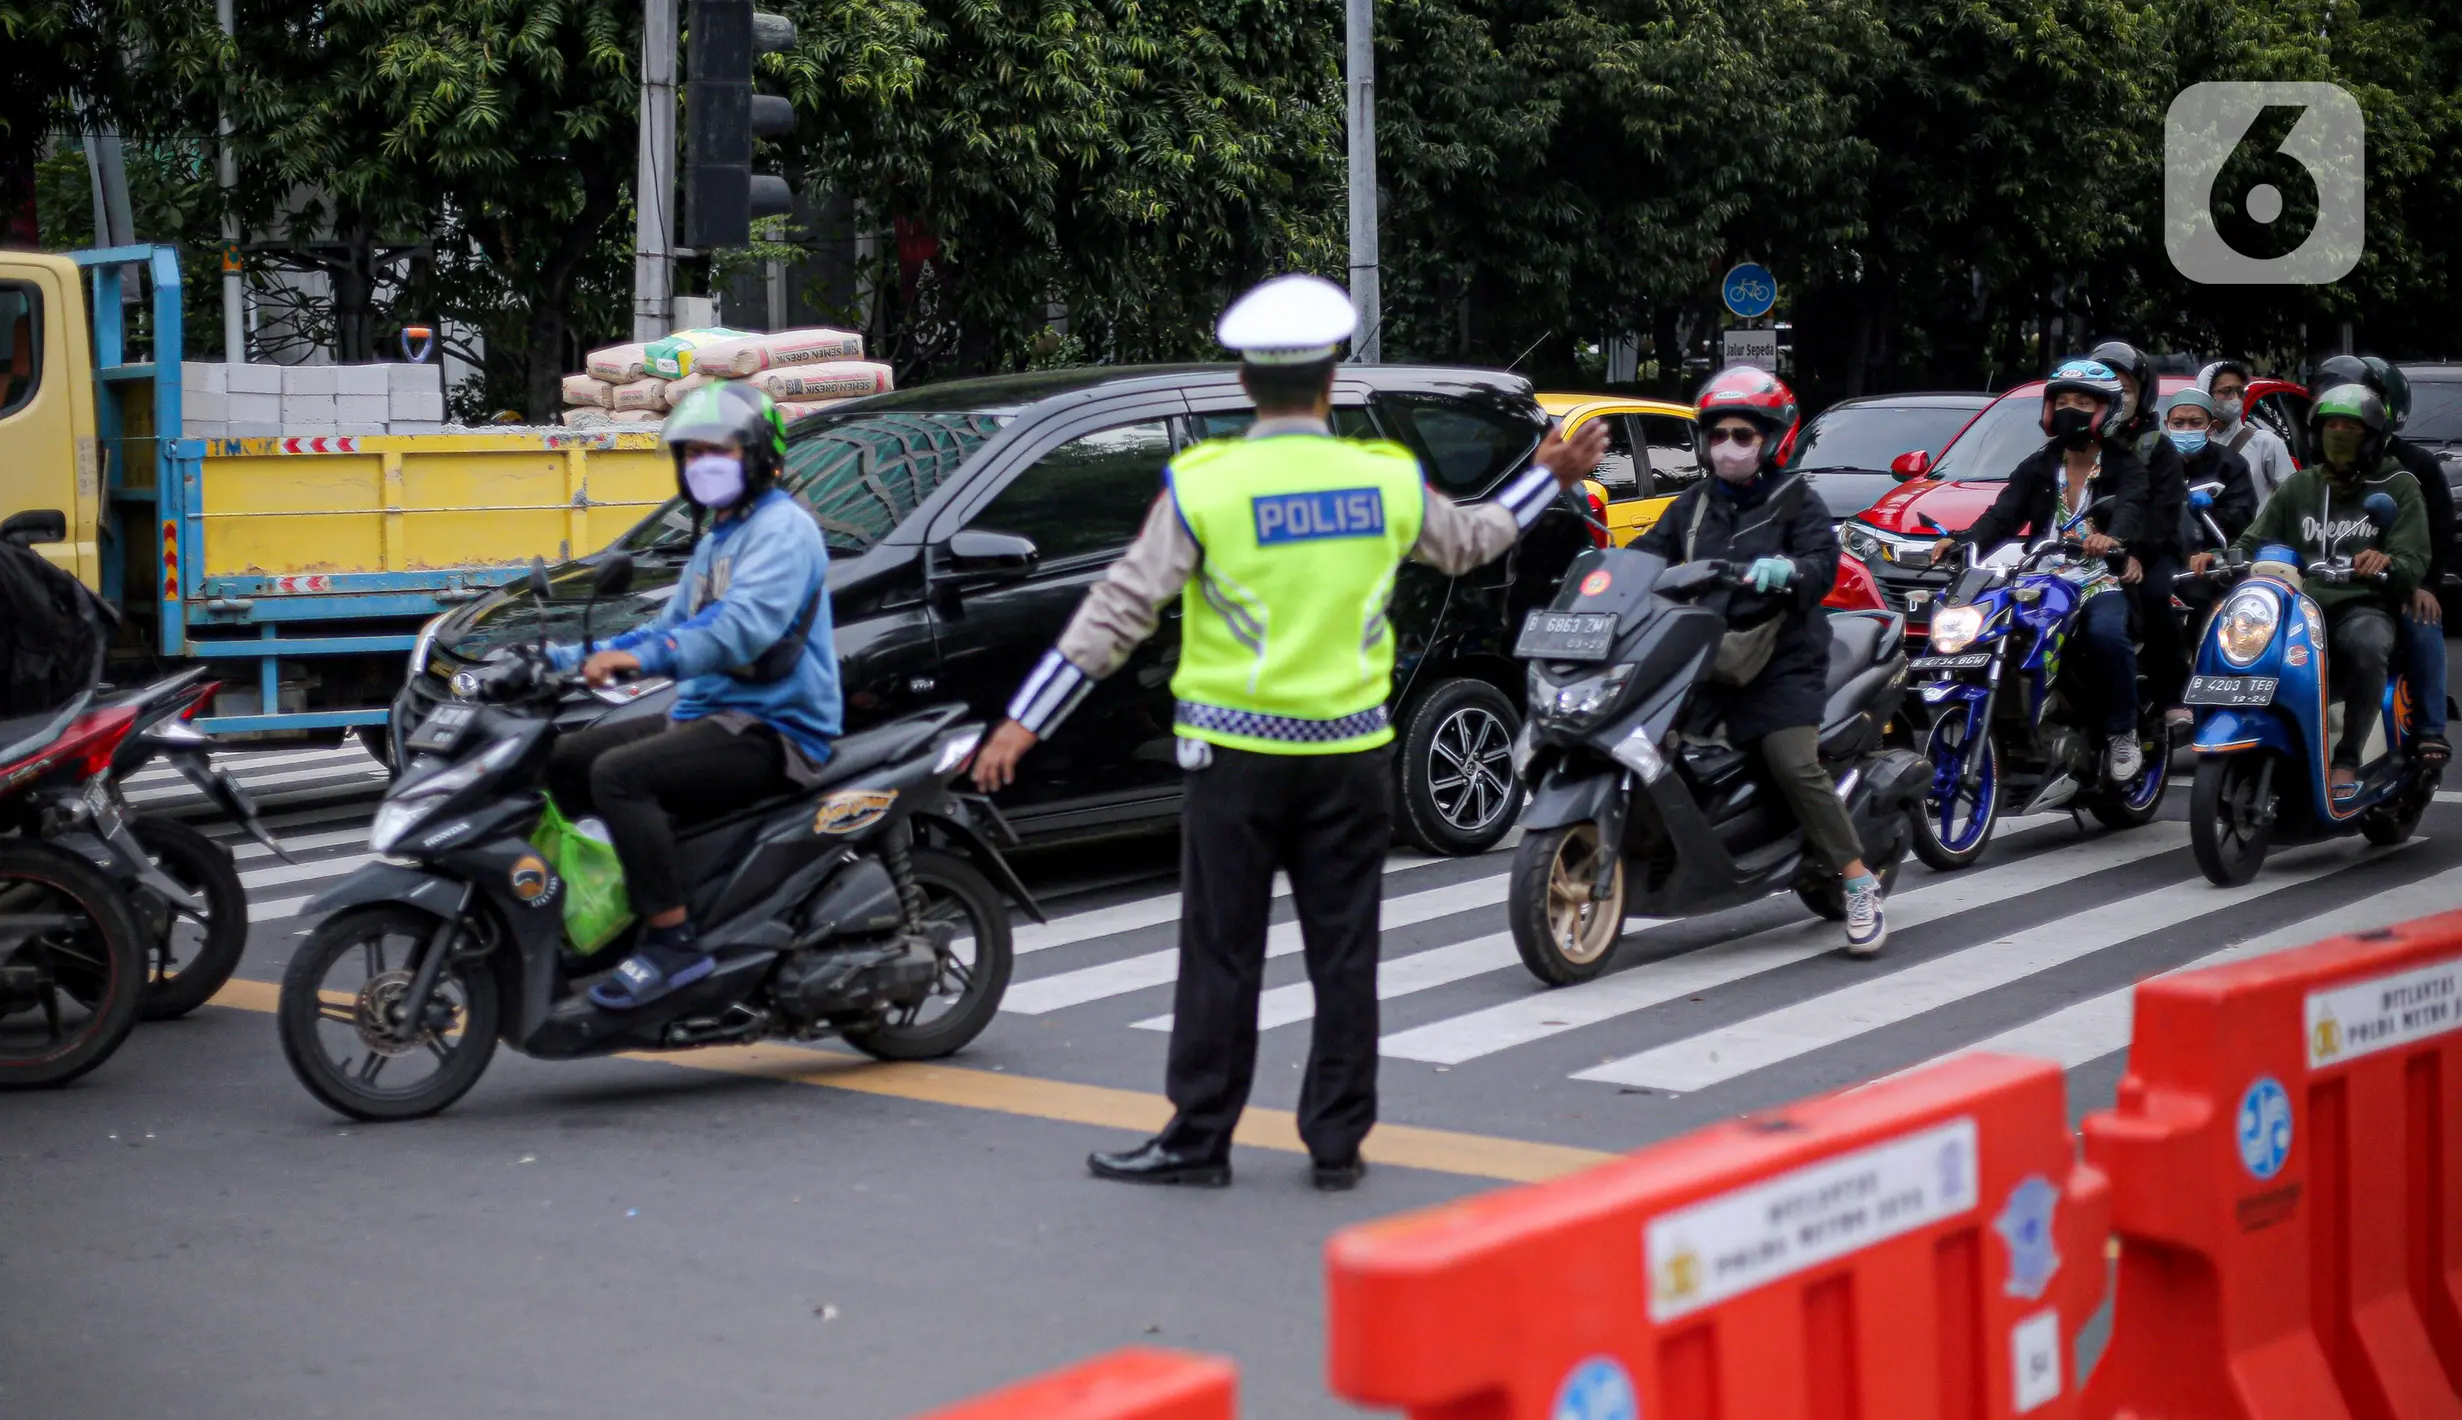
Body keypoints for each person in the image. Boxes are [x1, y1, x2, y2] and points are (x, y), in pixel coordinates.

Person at [969, 274, 1607, 1191]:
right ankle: (1337, 1144)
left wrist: (1023, 722)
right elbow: (1475, 540)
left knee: (1220, 952)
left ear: (1242, 382)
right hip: (1349, 760)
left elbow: (1118, 611)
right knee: (1344, 955)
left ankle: (1198, 1140)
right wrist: (1549, 477)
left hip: (1234, 763)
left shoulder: (1205, 486)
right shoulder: (1381, 478)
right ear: (1333, 377)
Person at [541, 383, 841, 1009]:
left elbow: (739, 630)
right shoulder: (716, 540)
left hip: (773, 731)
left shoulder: (783, 530)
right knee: (561, 760)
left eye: (718, 450)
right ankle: (617, 908)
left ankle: (673, 941)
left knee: (620, 776)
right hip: (709, 717)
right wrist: (565, 660)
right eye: (692, 451)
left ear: (758, 456)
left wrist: (643, 658)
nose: (702, 462)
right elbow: (663, 628)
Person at [1633, 367, 1886, 954]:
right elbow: (1645, 556)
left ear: (1772, 440)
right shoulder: (1691, 505)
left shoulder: (1797, 501)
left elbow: (1822, 565)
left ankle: (1857, 881)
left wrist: (1791, 571)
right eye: (1718, 435)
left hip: (1781, 663)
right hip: (1699, 657)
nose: (1728, 447)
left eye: (1743, 435)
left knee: (1791, 761)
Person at [2195, 384, 2431, 797]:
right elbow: (2253, 540)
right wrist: (2220, 557)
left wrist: (2385, 562)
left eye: (2351, 427)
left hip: (2361, 604)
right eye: (2331, 425)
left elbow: (2412, 559)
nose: (2338, 433)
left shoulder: (2398, 486)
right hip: (2296, 605)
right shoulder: (2300, 487)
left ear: (2373, 435)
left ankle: (2348, 756)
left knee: (2366, 645)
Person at [1930, 358, 2151, 781]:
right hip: (2037, 575)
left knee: (2107, 636)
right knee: (1986, 627)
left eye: (2083, 401)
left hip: (2097, 577)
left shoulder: (2126, 466)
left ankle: (2123, 731)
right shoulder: (2039, 464)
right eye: (2063, 400)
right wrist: (1961, 542)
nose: (2071, 409)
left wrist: (2112, 540)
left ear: (2105, 410)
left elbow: (2131, 509)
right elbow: (2002, 516)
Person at [2312, 354, 2452, 770]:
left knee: (2422, 620)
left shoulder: (2416, 469)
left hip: (2398, 584)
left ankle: (2430, 728)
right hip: (2333, 584)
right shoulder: (2319, 467)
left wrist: (2422, 584)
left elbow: (2438, 535)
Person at [2091, 339, 2192, 729]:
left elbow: (2162, 512)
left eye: (2125, 386)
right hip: (2084, 551)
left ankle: (2170, 695)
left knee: (2152, 596)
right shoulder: (2078, 444)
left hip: (2149, 549)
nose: (2116, 394)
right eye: (2107, 386)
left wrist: (2136, 554)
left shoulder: (2156, 447)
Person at [2162, 388, 2258, 546]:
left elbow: (2243, 516)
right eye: (2178, 423)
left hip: (2214, 557)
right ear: (2167, 425)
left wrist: (2209, 512)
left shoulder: (2231, 464)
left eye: (2195, 423)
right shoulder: (2157, 464)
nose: (2186, 430)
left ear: (2211, 426)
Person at [2198, 359, 2298, 499]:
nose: (2235, 399)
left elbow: (2293, 498)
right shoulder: (2192, 445)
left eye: (2240, 392)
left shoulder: (2266, 443)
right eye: (2226, 392)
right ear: (2205, 395)